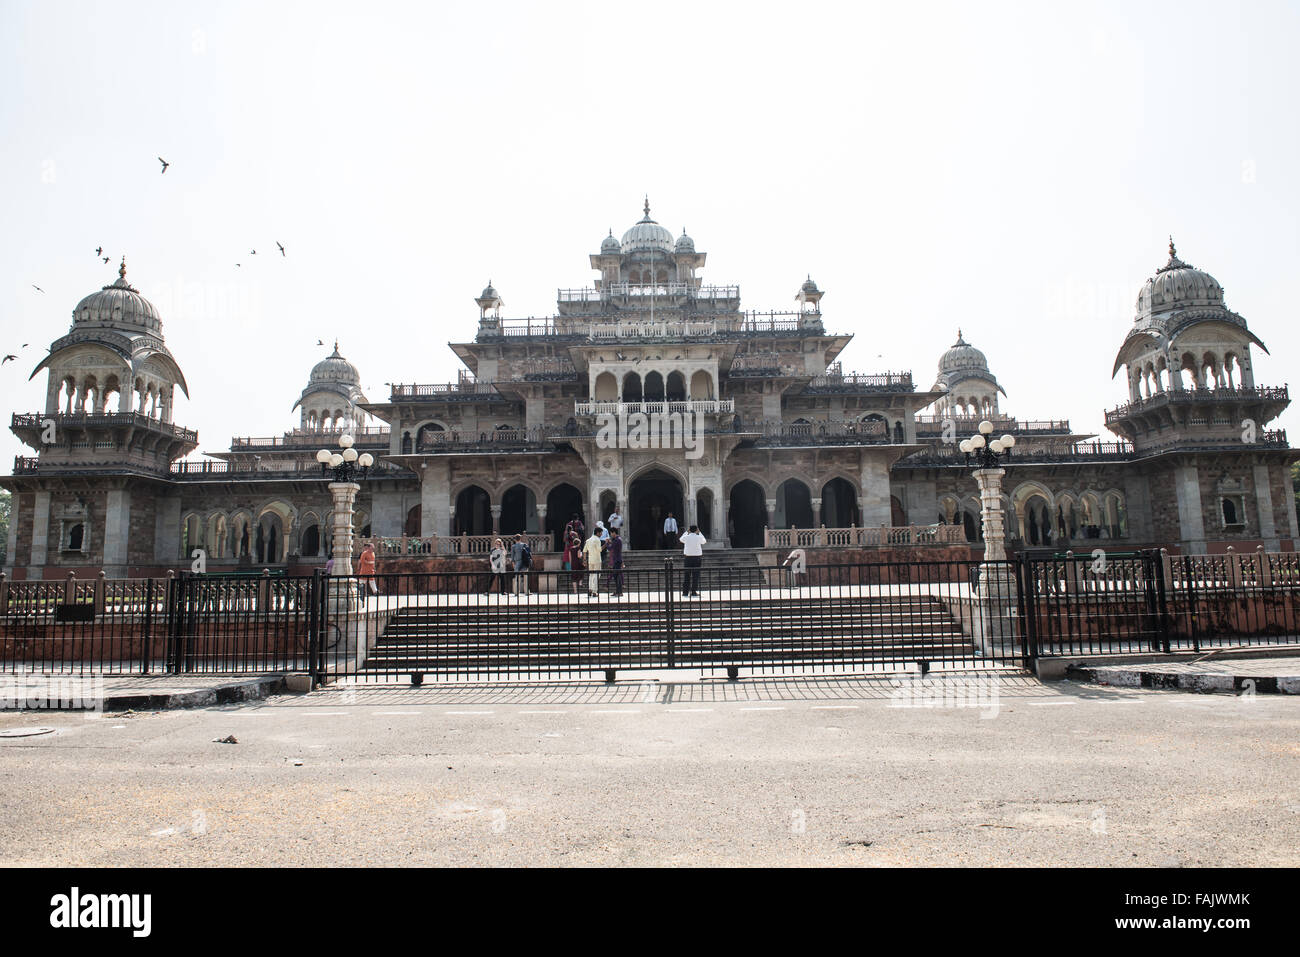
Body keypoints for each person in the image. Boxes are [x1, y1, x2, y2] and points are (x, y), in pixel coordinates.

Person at [679, 524, 705, 597]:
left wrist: (687, 532)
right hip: (697, 558)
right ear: (696, 530)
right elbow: (704, 541)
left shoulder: (686, 537)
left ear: (689, 530)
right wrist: (699, 532)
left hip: (688, 558)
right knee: (695, 575)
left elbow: (681, 539)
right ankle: (693, 591)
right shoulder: (698, 537)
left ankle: (685, 592)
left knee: (687, 575)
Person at [581, 529, 603, 597]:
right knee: (596, 575)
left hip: (590, 560)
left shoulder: (588, 540)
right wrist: (605, 544)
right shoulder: (597, 540)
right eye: (601, 533)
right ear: (598, 533)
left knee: (591, 575)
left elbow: (584, 551)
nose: (601, 534)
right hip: (597, 560)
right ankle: (594, 591)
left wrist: (584, 560)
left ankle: (590, 589)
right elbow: (599, 550)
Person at [562, 529, 583, 594]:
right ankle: (580, 582)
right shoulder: (578, 548)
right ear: (578, 543)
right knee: (582, 571)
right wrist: (582, 554)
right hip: (578, 563)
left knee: (573, 577)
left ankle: (575, 591)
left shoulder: (570, 549)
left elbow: (570, 557)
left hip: (573, 563)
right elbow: (579, 556)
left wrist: (571, 564)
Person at [607, 526, 624, 597]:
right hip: (617, 559)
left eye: (611, 533)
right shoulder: (617, 539)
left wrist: (607, 543)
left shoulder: (617, 540)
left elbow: (610, 548)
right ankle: (618, 591)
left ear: (614, 532)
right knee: (616, 576)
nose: (611, 534)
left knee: (617, 576)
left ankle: (619, 592)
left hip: (617, 560)